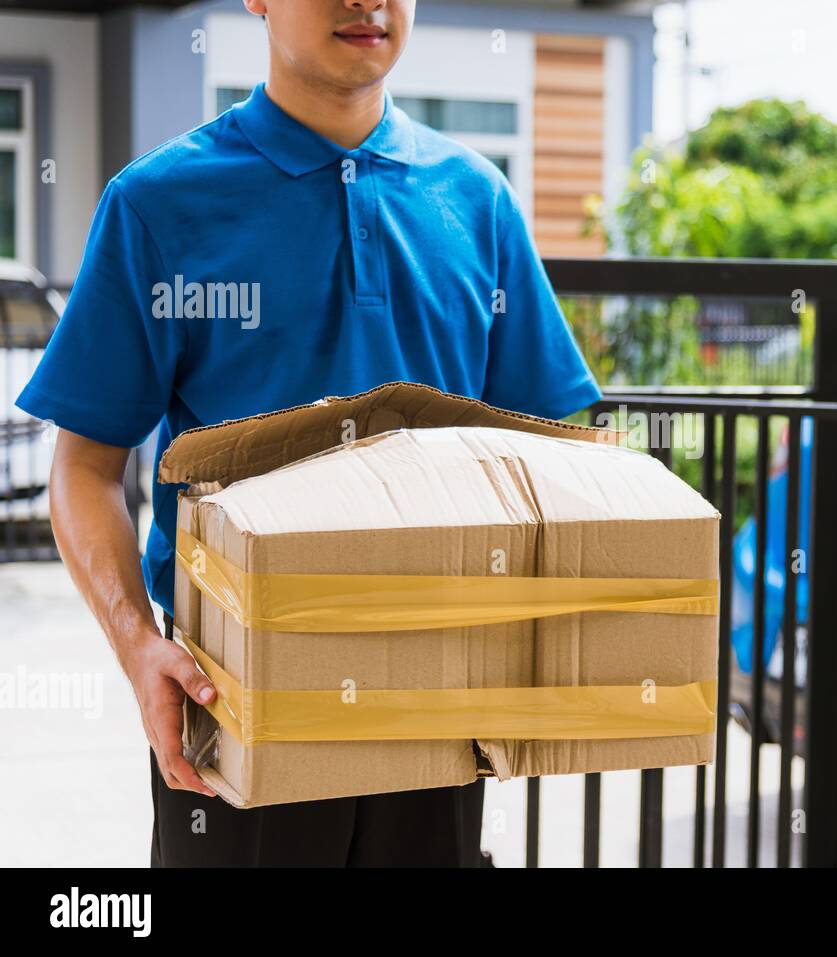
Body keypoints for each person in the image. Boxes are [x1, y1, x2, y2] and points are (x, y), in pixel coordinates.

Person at [16, 0, 601, 867]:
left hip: (438, 711)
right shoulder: (159, 204)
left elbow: (547, 446)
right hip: (240, 706)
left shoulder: (475, 198)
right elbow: (86, 468)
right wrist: (140, 647)